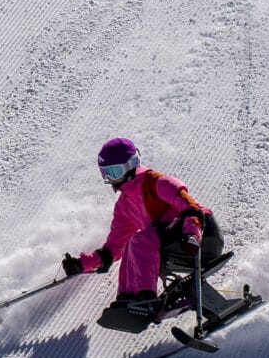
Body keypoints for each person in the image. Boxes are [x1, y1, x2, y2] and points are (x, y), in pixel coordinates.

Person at [61, 137, 226, 327]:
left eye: (115, 172)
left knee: (141, 240)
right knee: (131, 246)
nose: (111, 179)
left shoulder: (157, 182)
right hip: (174, 246)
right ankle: (126, 301)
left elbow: (191, 208)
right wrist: (83, 264)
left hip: (202, 236)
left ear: (132, 164)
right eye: (106, 174)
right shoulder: (125, 205)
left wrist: (193, 235)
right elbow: (114, 248)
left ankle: (144, 298)